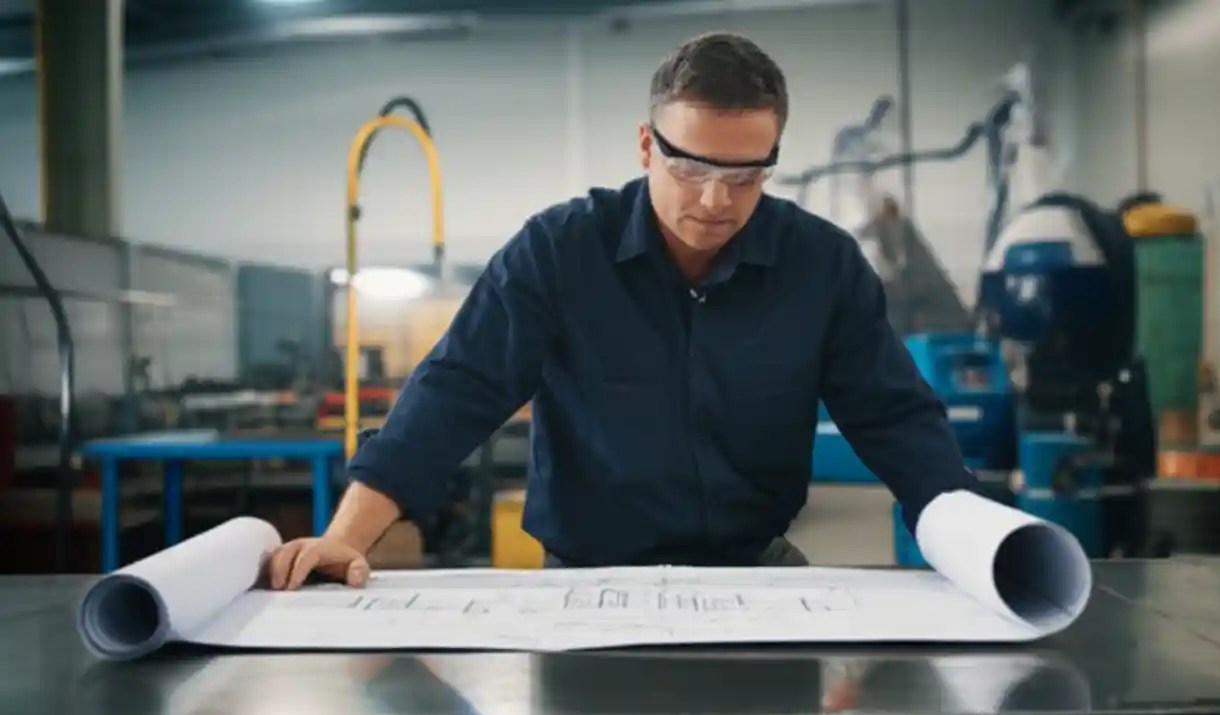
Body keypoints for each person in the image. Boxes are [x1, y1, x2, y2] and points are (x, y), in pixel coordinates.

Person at [267, 31, 978, 590]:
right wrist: (347, 537)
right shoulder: (559, 251)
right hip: (586, 578)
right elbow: (457, 388)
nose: (714, 201)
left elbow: (894, 417)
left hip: (754, 569)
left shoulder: (821, 265)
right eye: (691, 168)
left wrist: (977, 541)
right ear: (647, 145)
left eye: (744, 176)